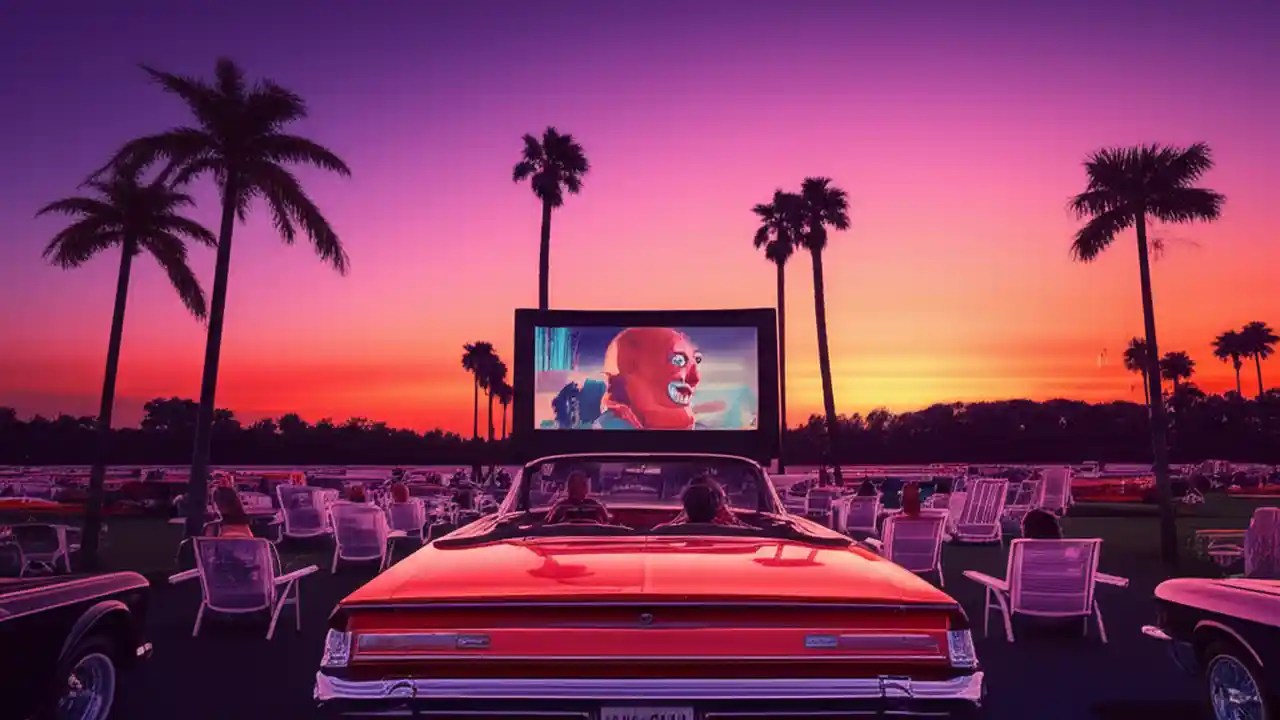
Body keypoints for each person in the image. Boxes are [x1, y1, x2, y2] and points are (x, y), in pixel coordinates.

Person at [545, 471, 611, 524]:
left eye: (584, 484)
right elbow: (549, 526)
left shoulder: (595, 505)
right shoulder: (560, 506)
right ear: (570, 487)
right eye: (583, 484)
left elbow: (607, 524)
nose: (585, 487)